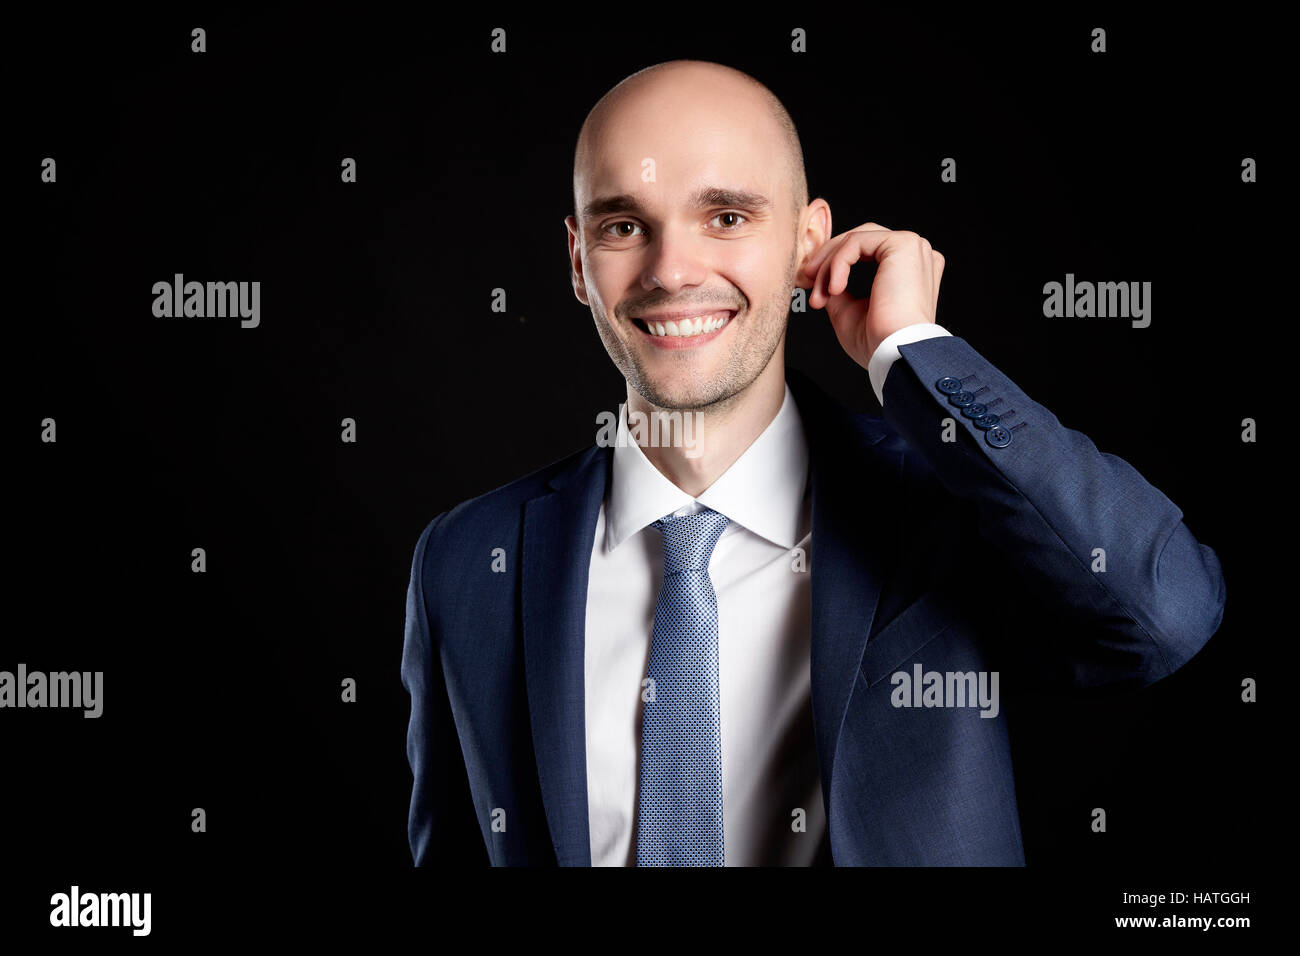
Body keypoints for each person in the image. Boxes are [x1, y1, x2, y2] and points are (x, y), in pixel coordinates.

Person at [401, 59, 1225, 866]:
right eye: (624, 226)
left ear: (809, 240)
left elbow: (1164, 612)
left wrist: (911, 352)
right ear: (579, 260)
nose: (672, 271)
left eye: (725, 217)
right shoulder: (465, 561)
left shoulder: (948, 508)